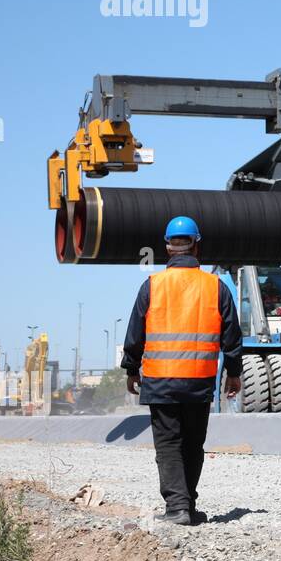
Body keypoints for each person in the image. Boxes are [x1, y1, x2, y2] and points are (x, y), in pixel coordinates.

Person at [121, 216, 242, 525]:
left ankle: (177, 508)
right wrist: (233, 372)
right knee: (192, 445)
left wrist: (131, 369)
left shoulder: (152, 285)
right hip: (199, 382)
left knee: (169, 445)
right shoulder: (216, 287)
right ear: (197, 246)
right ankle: (187, 505)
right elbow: (232, 336)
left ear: (167, 248)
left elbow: (135, 333)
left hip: (161, 380)